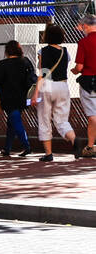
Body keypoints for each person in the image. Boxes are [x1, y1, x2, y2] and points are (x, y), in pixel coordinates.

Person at [35, 23, 76, 162]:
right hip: (63, 85)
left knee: (44, 119)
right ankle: (73, 140)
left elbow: (42, 73)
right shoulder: (65, 51)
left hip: (47, 85)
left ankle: (48, 153)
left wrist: (35, 93)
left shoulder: (43, 51)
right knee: (62, 119)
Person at [0, 40, 35, 157]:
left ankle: (26, 145)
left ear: (7, 51)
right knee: (12, 122)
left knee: (15, 121)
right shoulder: (26, 62)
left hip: (8, 98)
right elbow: (32, 78)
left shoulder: (2, 64)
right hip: (23, 96)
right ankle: (7, 148)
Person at [73, 14, 96, 157]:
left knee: (92, 116)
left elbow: (80, 67)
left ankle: (90, 146)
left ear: (85, 26)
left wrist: (74, 70)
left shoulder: (83, 42)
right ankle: (89, 146)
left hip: (89, 81)